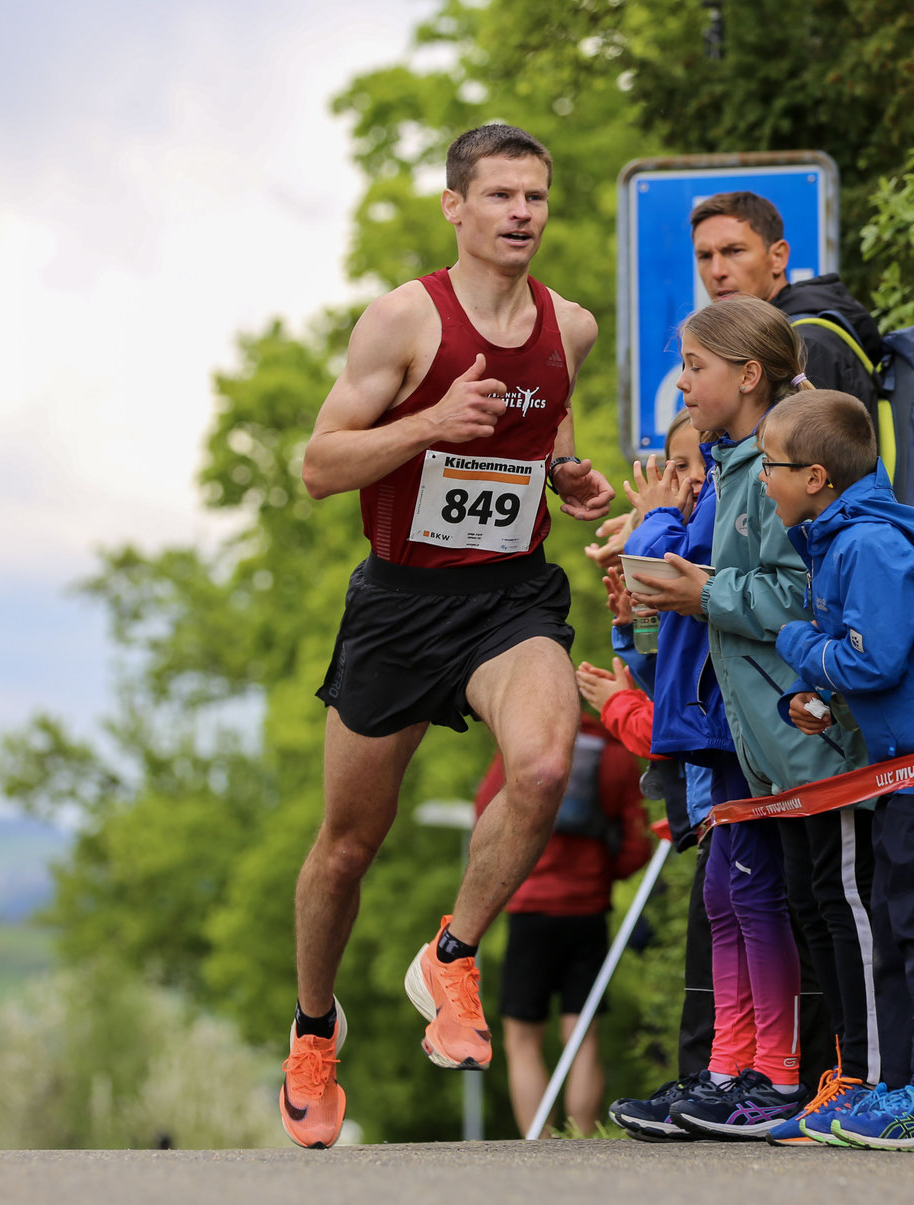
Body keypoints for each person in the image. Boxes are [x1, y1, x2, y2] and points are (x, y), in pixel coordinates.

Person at [280, 123, 613, 1150]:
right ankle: (313, 1027)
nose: (522, 213)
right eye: (502, 195)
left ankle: (454, 953)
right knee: (347, 849)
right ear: (455, 208)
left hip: (509, 599)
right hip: (400, 603)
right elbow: (319, 464)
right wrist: (428, 423)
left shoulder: (574, 326)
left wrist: (569, 474)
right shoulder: (402, 321)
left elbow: (543, 422)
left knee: (548, 761)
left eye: (537, 197)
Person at [629, 297, 859, 1139]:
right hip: (721, 713)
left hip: (760, 718)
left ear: (748, 375)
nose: (682, 383)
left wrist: (699, 589)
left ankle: (773, 1074)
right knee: (730, 894)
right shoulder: (728, 467)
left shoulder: (769, 471)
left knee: (763, 895)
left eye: (694, 367)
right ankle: (730, 1068)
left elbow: (797, 594)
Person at [769, 388, 914, 1152]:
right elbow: (859, 664)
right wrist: (813, 694)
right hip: (898, 764)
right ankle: (904, 1087)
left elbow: (875, 660)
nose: (761, 478)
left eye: (770, 465)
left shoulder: (867, 546)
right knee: (902, 927)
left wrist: (798, 647)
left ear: (816, 478)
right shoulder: (838, 540)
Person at [480, 716, 652, 1137]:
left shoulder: (519, 754)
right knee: (582, 1037)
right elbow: (637, 843)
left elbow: (486, 818)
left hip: (530, 913)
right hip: (588, 913)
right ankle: (582, 1141)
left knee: (522, 1041)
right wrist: (600, 876)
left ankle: (537, 1141)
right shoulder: (614, 755)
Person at [690, 190, 883, 418]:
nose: (716, 272)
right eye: (704, 256)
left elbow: (807, 453)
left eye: (734, 251)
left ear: (778, 257)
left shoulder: (804, 343)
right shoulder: (767, 338)